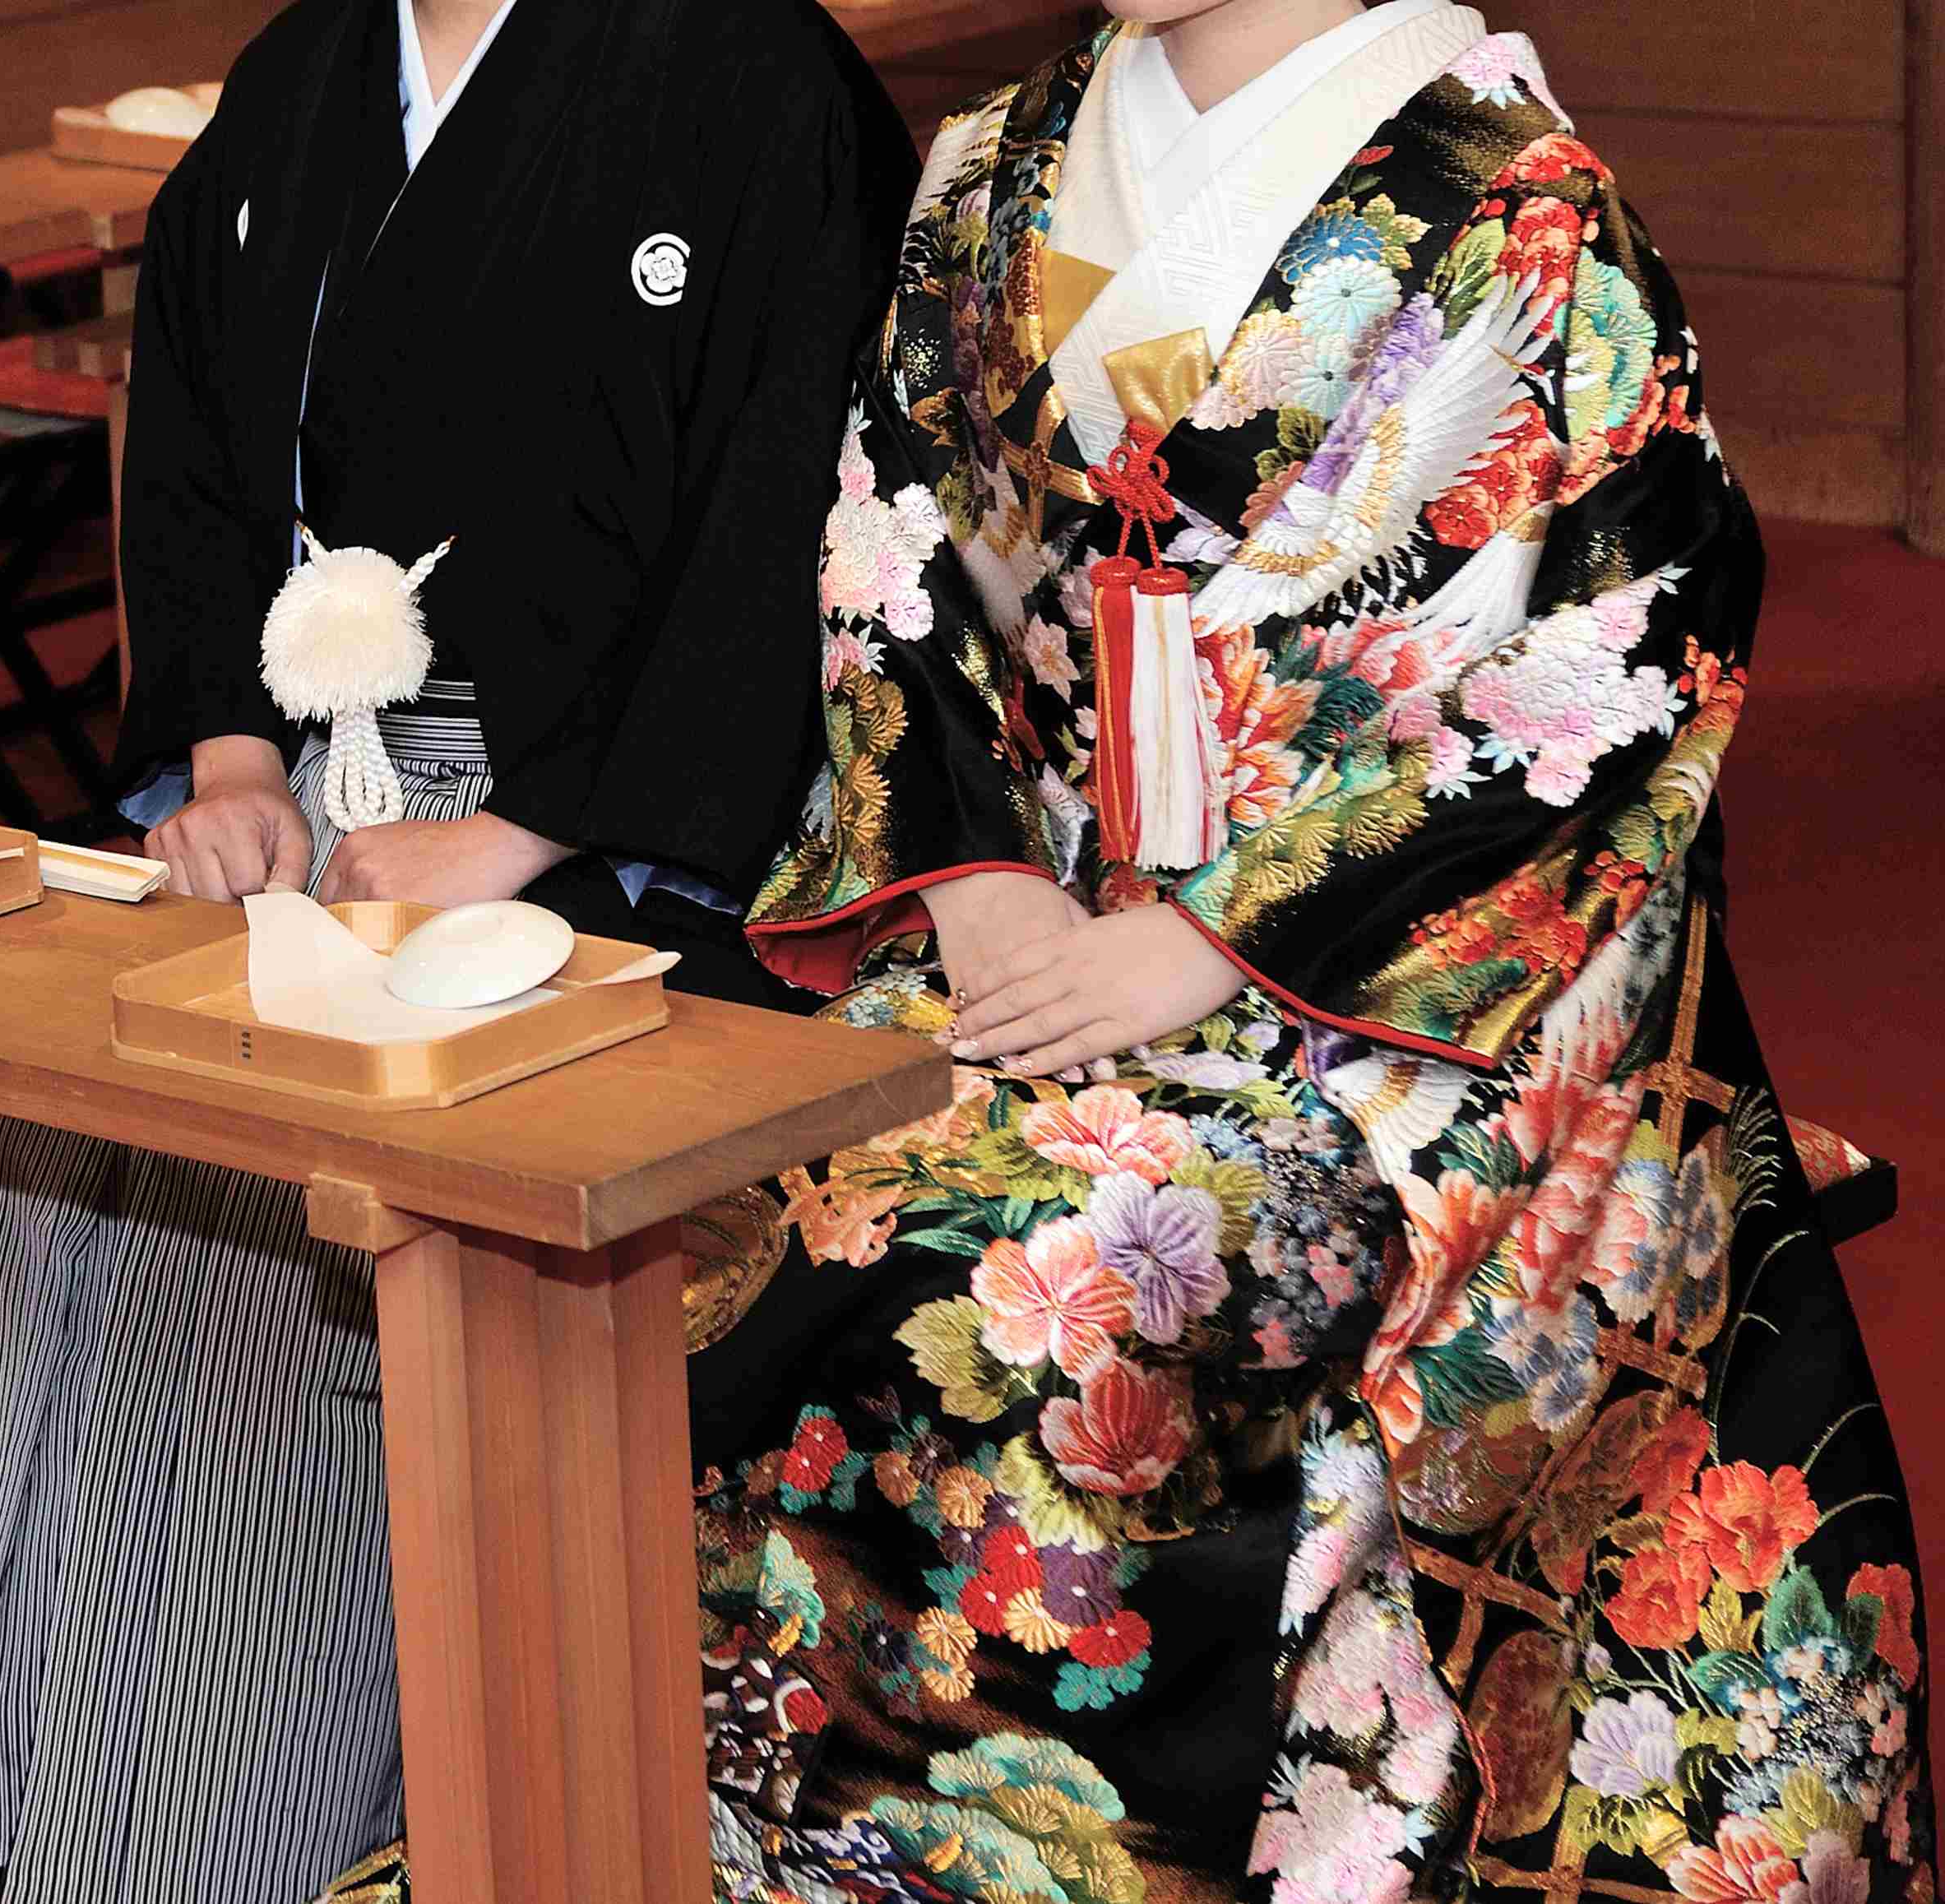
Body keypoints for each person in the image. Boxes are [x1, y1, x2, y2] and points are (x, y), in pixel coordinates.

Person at [656, 2, 1943, 1900]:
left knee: (1061, 1276)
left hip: (1403, 963)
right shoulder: (991, 168)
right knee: (724, 1185)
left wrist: (1212, 939)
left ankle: (1173, 1839)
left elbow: (1622, 643)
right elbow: (894, 549)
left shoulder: (1522, 209)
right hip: (1035, 902)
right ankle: (737, 1829)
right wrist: (962, 873)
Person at [0, 2, 914, 1901]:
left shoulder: (751, 74)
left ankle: (254, 1840)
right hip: (323, 798)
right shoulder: (300, 77)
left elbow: (786, 509)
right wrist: (230, 762)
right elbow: (194, 454)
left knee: (257, 1209)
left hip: (637, 843)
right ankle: (3, 1786)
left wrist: (521, 837)